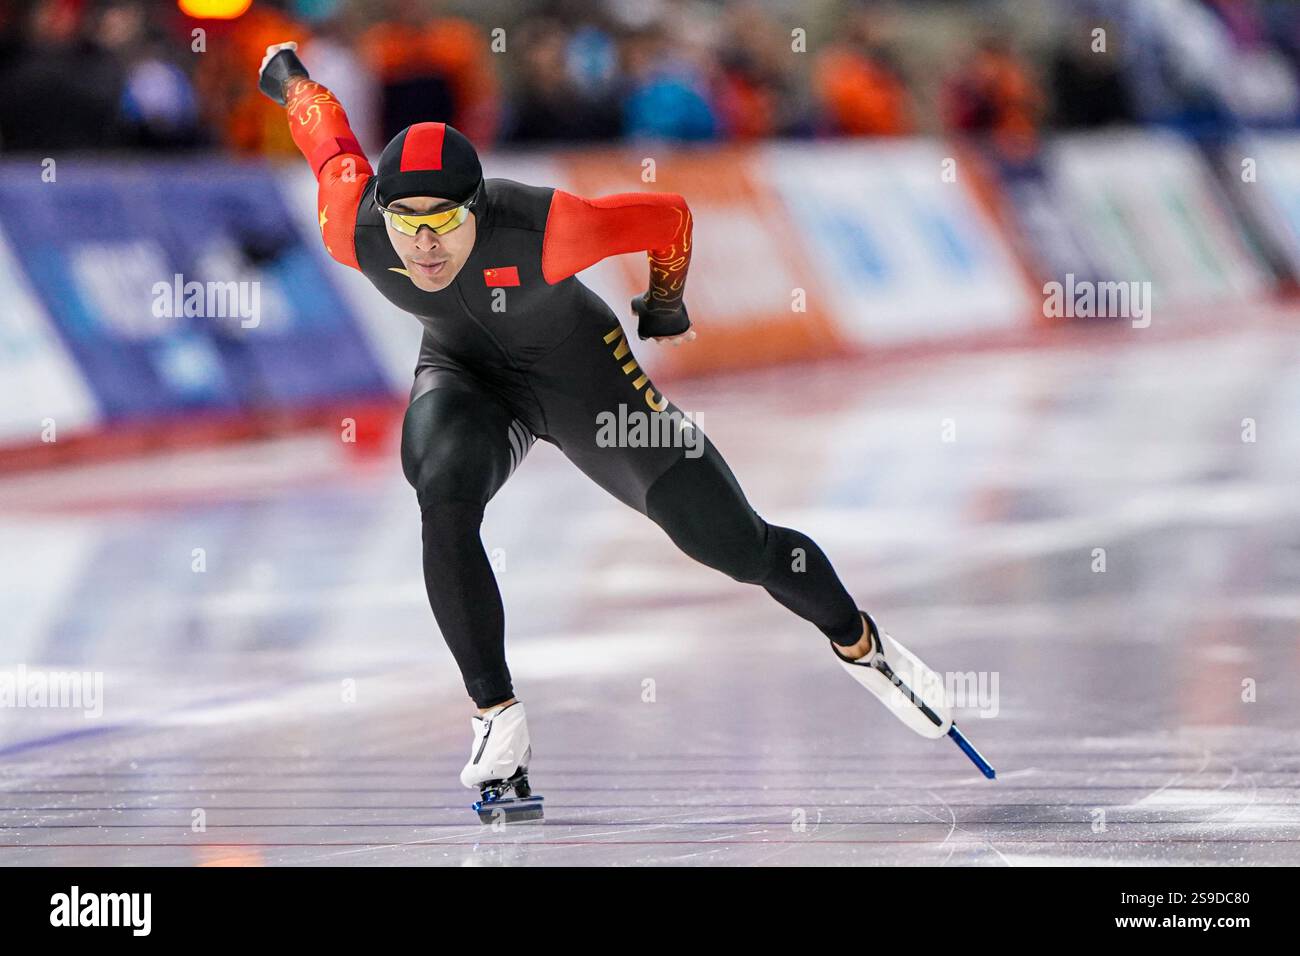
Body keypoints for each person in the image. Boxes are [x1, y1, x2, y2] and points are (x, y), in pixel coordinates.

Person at [257, 41, 979, 821]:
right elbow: (326, 136)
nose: (425, 246)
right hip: (467, 377)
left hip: (588, 384)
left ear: (478, 208)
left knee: (735, 547)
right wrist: (289, 75)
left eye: (445, 223)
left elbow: (668, 216)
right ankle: (496, 718)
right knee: (442, 490)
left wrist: (664, 302)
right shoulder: (352, 228)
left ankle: (859, 641)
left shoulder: (543, 228)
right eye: (408, 224)